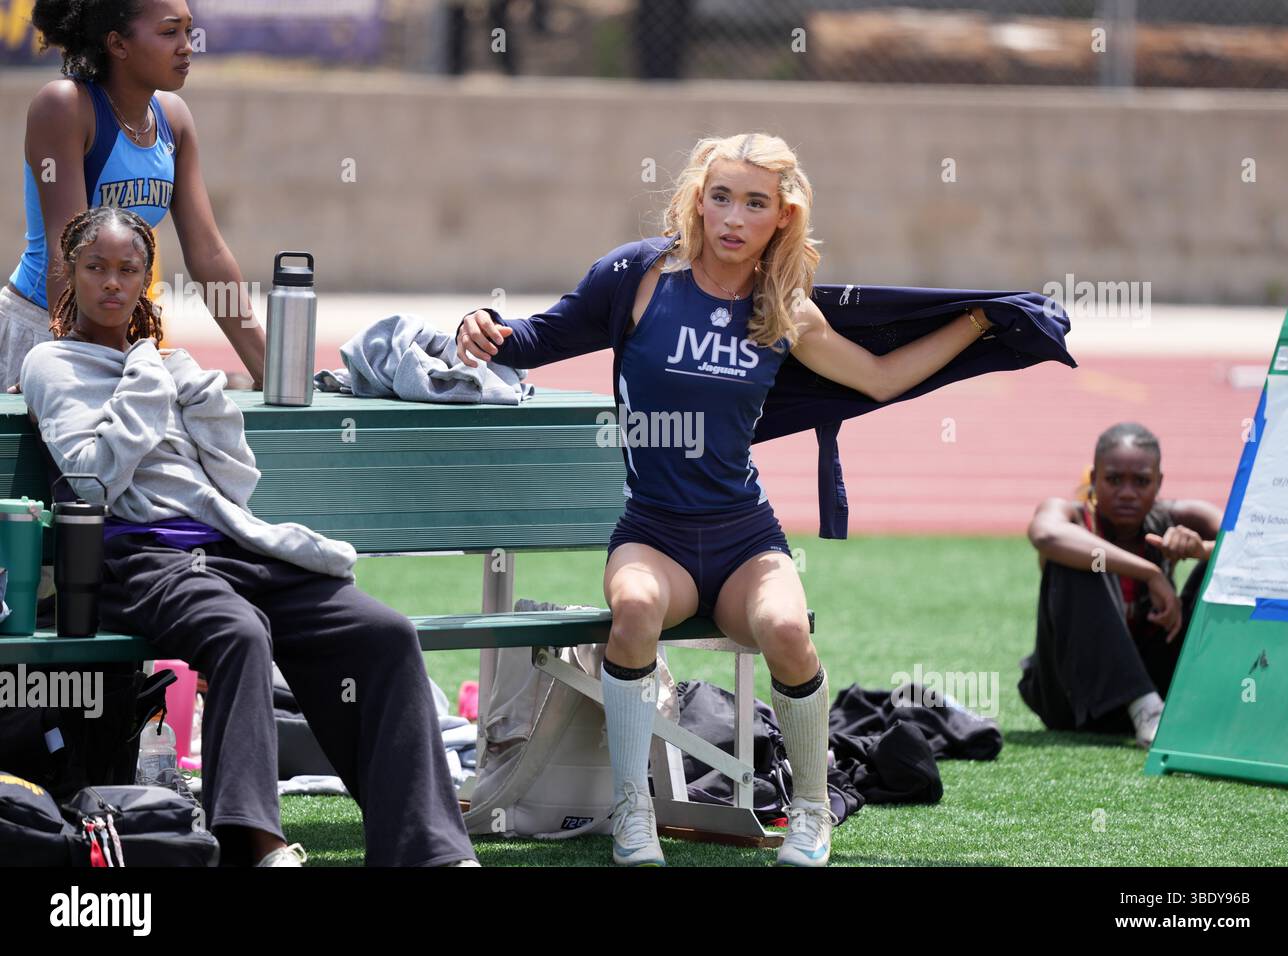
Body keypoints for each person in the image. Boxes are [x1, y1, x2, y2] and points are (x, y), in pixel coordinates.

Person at [457, 132, 1003, 866]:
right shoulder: (639, 277)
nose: (734, 218)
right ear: (697, 201)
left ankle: (811, 814)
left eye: (755, 203)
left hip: (744, 534)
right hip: (654, 531)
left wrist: (979, 323)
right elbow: (533, 339)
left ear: (782, 217)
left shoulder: (784, 308)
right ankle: (632, 815)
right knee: (635, 611)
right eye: (721, 197)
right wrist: (480, 331)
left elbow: (877, 378)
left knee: (786, 629)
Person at [20, 205, 477, 867]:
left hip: (227, 544)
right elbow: (94, 482)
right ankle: (251, 842)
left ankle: (426, 849)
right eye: (97, 268)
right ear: (74, 274)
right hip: (137, 557)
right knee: (240, 633)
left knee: (383, 632)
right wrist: (148, 382)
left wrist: (201, 398)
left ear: (147, 279)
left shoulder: (166, 363)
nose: (112, 284)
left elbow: (236, 479)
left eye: (128, 270)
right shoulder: (53, 364)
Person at [2, 0, 265, 393]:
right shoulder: (64, 106)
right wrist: (69, 362)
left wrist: (269, 368)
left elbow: (209, 256)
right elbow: (67, 252)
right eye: (168, 32)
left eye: (188, 31)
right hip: (46, 332)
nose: (187, 46)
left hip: (119, 338)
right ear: (118, 44)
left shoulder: (173, 120)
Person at [1020, 422, 1221, 748]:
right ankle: (1145, 708)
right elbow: (1047, 535)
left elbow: (1252, 543)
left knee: (1218, 565)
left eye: (1141, 481)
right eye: (1113, 480)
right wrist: (1150, 573)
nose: (1127, 492)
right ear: (1094, 479)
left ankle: (1209, 702)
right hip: (1075, 702)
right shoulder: (1067, 514)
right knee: (1077, 558)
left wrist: (1202, 550)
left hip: (1161, 684)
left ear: (1159, 483)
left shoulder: (1179, 515)